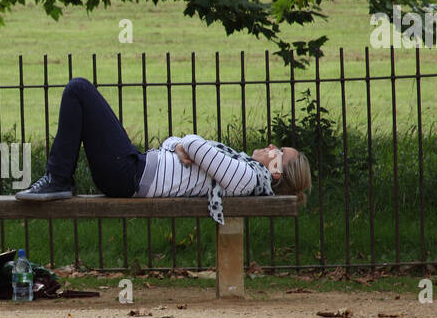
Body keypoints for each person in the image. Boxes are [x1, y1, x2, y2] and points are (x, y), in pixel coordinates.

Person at [16, 78, 311, 223]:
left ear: (276, 174)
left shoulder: (247, 177)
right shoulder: (245, 169)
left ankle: (58, 179)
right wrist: (183, 146)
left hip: (130, 174)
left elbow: (192, 144)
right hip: (134, 168)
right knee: (79, 91)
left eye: (279, 153)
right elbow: (172, 143)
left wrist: (186, 146)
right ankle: (59, 178)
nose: (272, 147)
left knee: (79, 89)